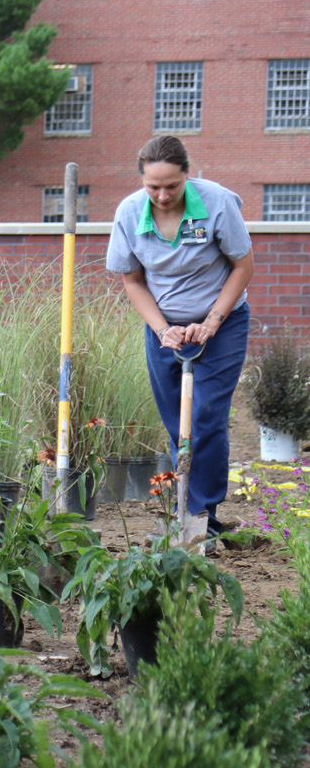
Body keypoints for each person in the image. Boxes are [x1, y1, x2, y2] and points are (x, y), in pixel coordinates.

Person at [105, 135, 254, 538]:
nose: (164, 194)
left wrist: (212, 321)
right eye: (154, 186)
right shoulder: (131, 213)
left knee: (205, 418)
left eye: (172, 185)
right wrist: (162, 329)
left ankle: (200, 517)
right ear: (142, 181)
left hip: (220, 326)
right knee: (177, 422)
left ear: (187, 175)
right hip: (165, 330)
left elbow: (243, 266)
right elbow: (132, 280)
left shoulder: (216, 202)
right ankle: (186, 508)